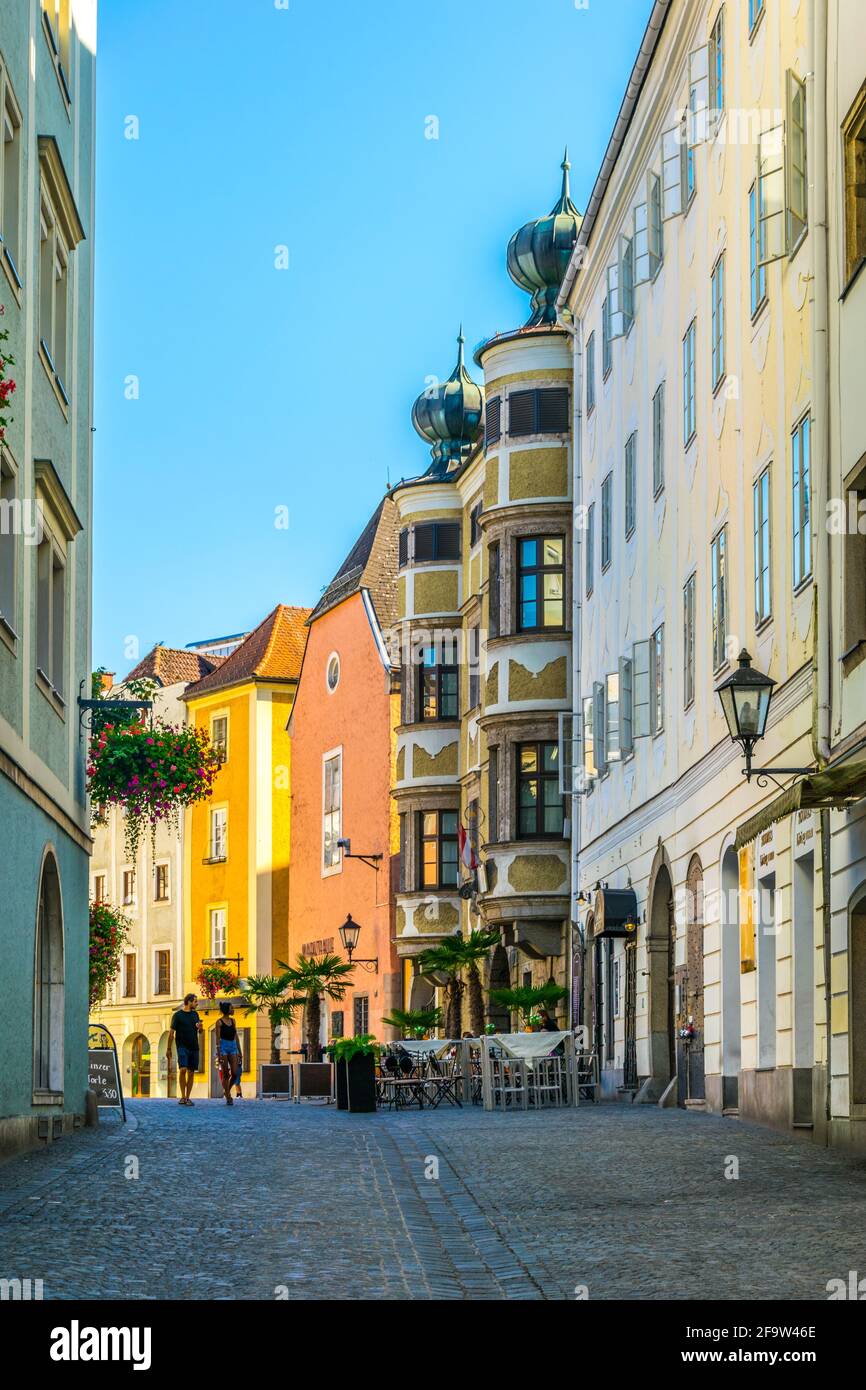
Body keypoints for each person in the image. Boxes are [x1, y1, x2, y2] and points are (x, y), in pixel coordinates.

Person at [167, 994, 203, 1105]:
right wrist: (169, 1048)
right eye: (195, 1001)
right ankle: (182, 1096)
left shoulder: (195, 1014)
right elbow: (172, 1033)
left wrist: (200, 1028)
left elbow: (200, 1032)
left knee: (191, 1072)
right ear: (189, 1002)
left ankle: (187, 1097)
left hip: (194, 1047)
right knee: (183, 1069)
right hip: (182, 1046)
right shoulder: (177, 1016)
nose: (197, 1004)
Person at [215, 1001, 243, 1106]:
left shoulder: (233, 1021)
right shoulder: (219, 1022)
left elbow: (236, 1037)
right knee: (226, 1074)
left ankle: (226, 1091)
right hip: (223, 1047)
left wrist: (240, 1051)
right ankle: (228, 1096)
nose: (233, 1009)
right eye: (231, 1008)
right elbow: (217, 1038)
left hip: (233, 1047)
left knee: (235, 1073)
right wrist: (219, 1053)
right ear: (227, 1010)